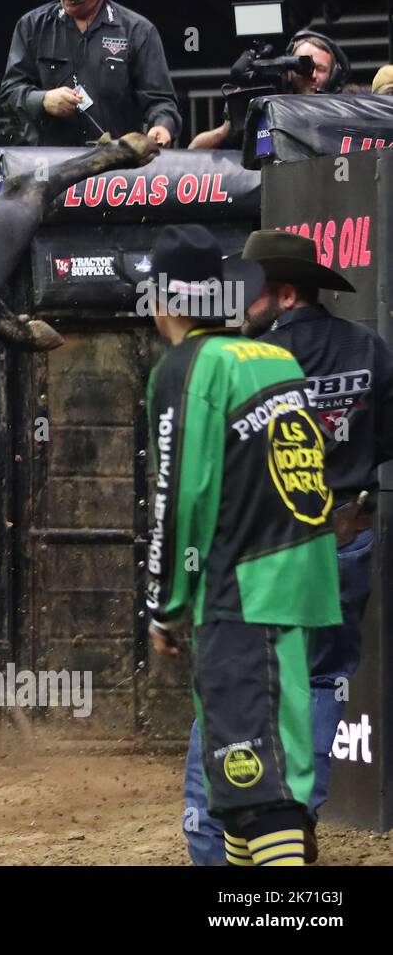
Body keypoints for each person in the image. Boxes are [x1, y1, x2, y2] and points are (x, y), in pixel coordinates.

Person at [181, 230, 393, 865]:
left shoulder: (244, 360)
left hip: (262, 551)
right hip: (343, 539)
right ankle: (293, 818)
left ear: (285, 292)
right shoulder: (369, 348)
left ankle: (217, 840)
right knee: (321, 679)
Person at [140, 224, 341, 866]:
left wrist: (165, 606)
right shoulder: (273, 356)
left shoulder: (186, 368)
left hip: (241, 592)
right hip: (297, 578)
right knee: (246, 772)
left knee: (256, 784)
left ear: (166, 302)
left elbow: (180, 492)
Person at [0, 0, 180, 148]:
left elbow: (161, 102)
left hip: (115, 169)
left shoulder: (138, 31)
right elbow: (10, 93)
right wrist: (43, 100)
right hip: (49, 168)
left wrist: (163, 126)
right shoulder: (32, 26)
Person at [190, 30, 349, 149]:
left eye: (320, 68)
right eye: (304, 66)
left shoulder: (343, 112)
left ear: (333, 75)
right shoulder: (270, 102)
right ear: (289, 71)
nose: (312, 75)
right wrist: (229, 126)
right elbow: (194, 150)